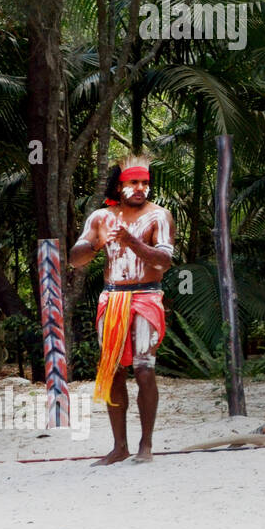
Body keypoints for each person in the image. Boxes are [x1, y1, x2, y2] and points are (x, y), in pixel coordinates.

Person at [69, 155, 175, 465]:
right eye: (134, 183)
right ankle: (119, 446)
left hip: (146, 296)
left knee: (144, 367)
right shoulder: (101, 217)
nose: (141, 188)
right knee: (113, 370)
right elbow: (76, 259)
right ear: (121, 185)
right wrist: (95, 244)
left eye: (145, 183)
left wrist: (131, 241)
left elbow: (163, 262)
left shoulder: (159, 217)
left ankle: (146, 445)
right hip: (112, 298)